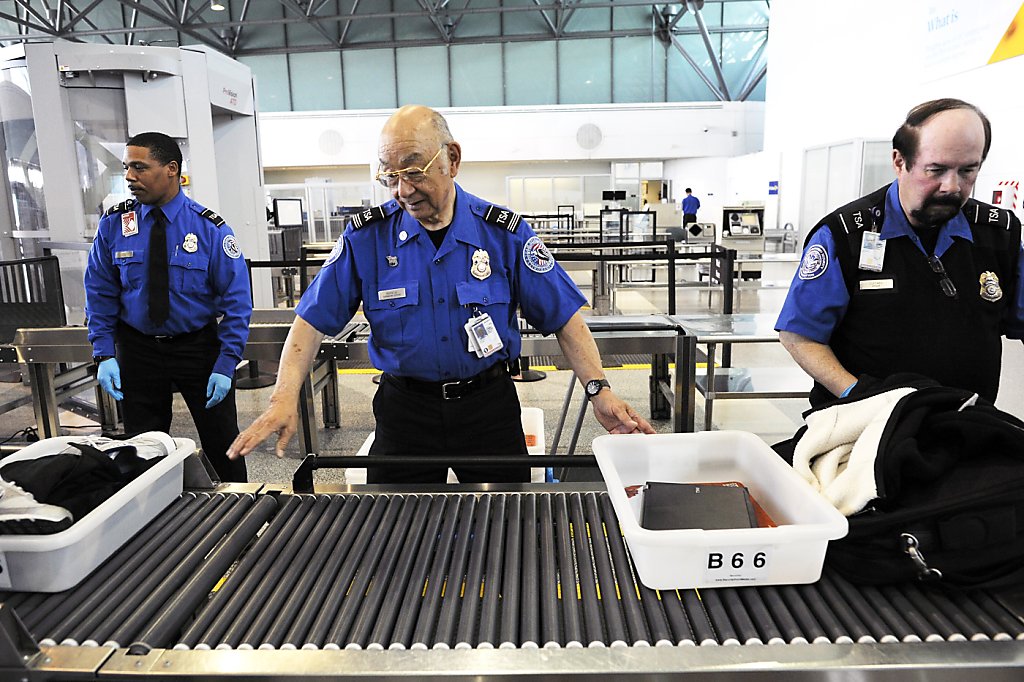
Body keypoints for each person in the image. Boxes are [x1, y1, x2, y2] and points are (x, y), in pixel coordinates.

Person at [227, 105, 655, 483]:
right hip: (403, 410)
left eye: (414, 171)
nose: (403, 190)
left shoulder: (503, 233)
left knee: (505, 522)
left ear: (452, 159)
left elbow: (564, 318)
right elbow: (311, 320)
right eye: (390, 175)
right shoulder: (367, 238)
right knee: (395, 527)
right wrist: (282, 398)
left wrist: (600, 391)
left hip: (488, 408)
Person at [776, 98, 1024, 408]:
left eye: (967, 171)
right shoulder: (845, 236)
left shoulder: (998, 235)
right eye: (935, 170)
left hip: (966, 424)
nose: (951, 186)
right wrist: (859, 397)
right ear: (899, 161)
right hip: (861, 426)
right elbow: (799, 336)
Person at [84, 131, 252, 482]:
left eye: (140, 167)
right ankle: (149, 521)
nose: (130, 176)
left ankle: (242, 518)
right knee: (142, 448)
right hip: (138, 348)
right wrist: (104, 353)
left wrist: (226, 362)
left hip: (198, 348)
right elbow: (100, 291)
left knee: (224, 443)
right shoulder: (116, 225)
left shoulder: (209, 229)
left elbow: (237, 303)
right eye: (127, 167)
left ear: (171, 169)